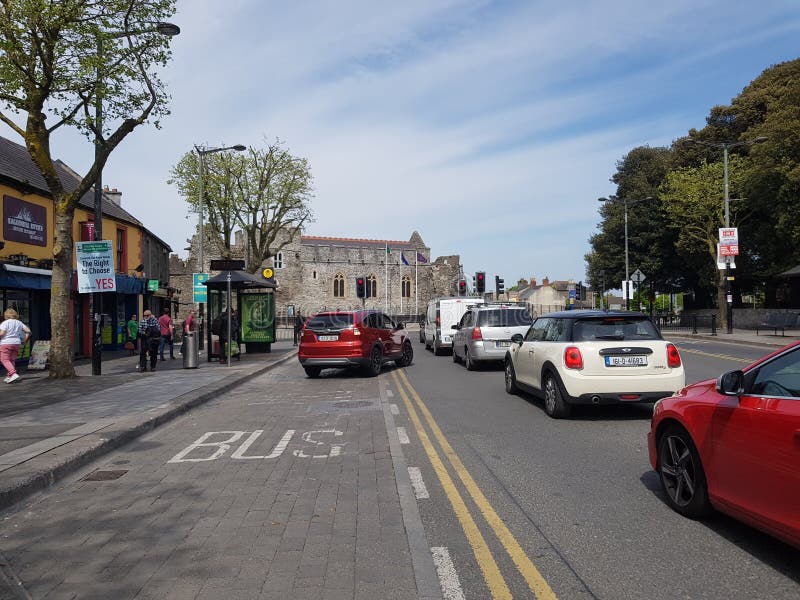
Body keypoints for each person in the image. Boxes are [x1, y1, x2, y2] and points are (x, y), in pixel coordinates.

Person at [0, 308, 31, 384]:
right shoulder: (19, 323)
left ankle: (13, 373)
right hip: (17, 343)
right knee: (11, 360)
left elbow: (2, 334)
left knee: (4, 359)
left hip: (6, 343)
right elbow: (29, 331)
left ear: (6, 315)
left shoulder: (5, 323)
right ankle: (10, 376)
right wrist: (25, 341)